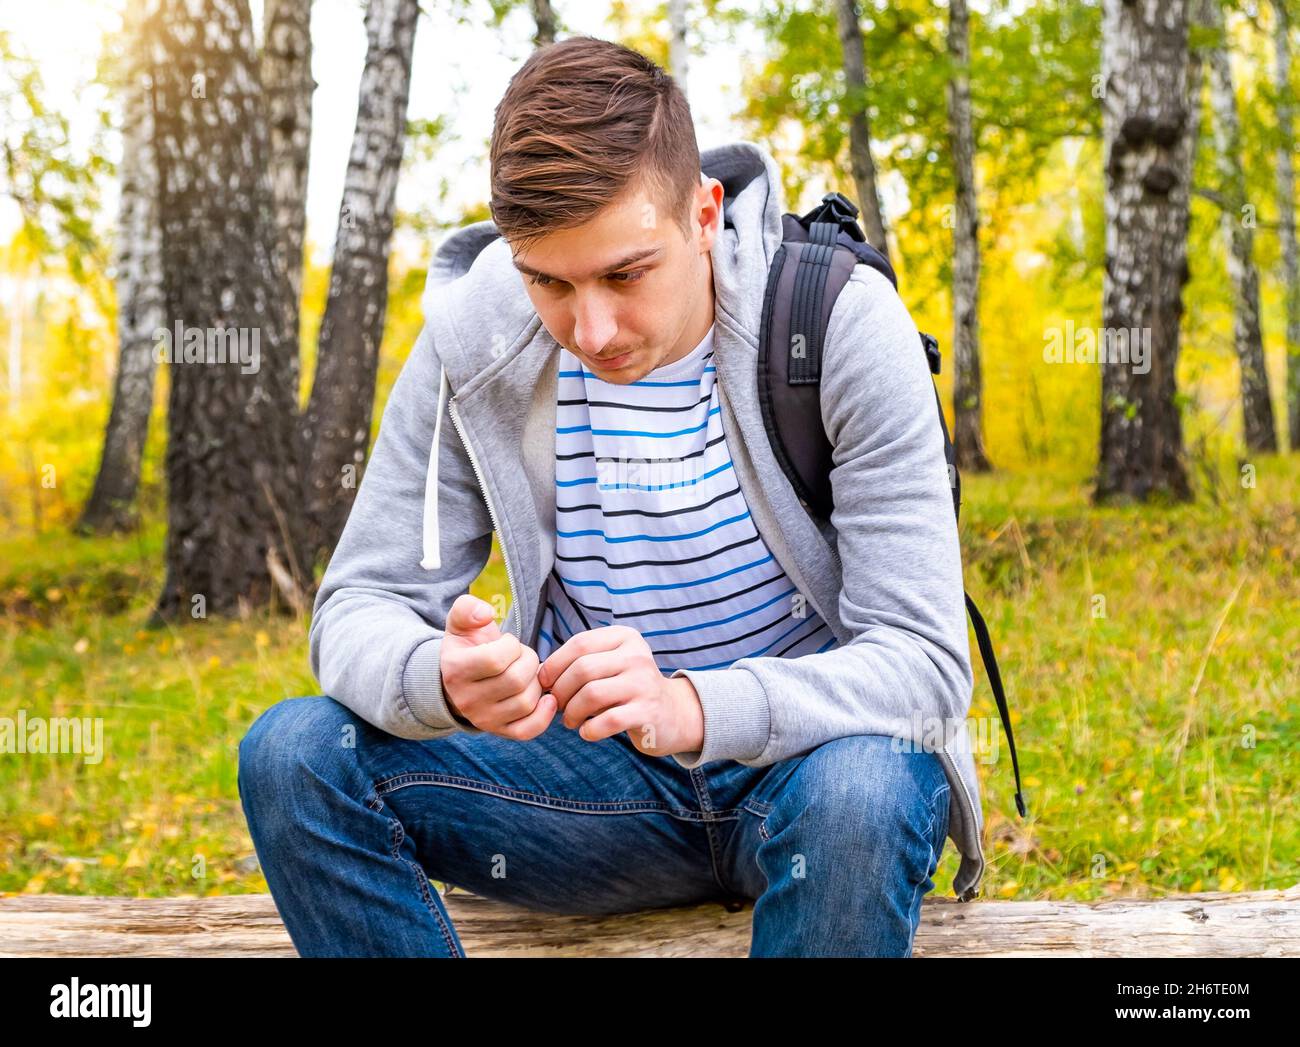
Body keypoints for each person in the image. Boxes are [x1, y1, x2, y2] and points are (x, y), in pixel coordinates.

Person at [237, 34, 986, 958]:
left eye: (626, 273)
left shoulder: (837, 321)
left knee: (866, 790)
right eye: (547, 281)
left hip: (811, 780)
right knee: (294, 754)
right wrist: (442, 679)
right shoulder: (471, 341)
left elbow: (924, 662)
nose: (591, 328)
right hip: (585, 792)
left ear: (704, 214)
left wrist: (691, 706)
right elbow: (358, 604)